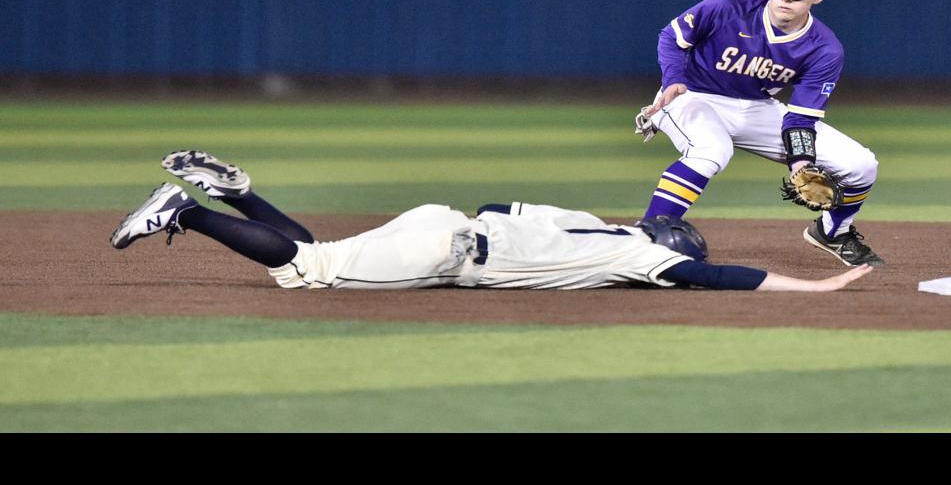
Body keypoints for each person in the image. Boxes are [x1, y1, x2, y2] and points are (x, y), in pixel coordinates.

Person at [110, 151, 871, 293]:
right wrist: (812, 288)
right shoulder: (636, 261)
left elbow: (504, 207)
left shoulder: (599, 225)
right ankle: (190, 213)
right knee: (309, 272)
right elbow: (719, 275)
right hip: (447, 252)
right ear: (668, 254)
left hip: (445, 217)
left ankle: (241, 194)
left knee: (321, 249)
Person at [634, 0, 884, 268]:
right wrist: (673, 78)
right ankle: (645, 237)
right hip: (691, 96)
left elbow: (800, 117)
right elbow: (672, 37)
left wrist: (801, 164)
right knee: (712, 150)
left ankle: (833, 232)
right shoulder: (724, 7)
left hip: (758, 107)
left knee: (861, 164)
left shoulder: (824, 48)